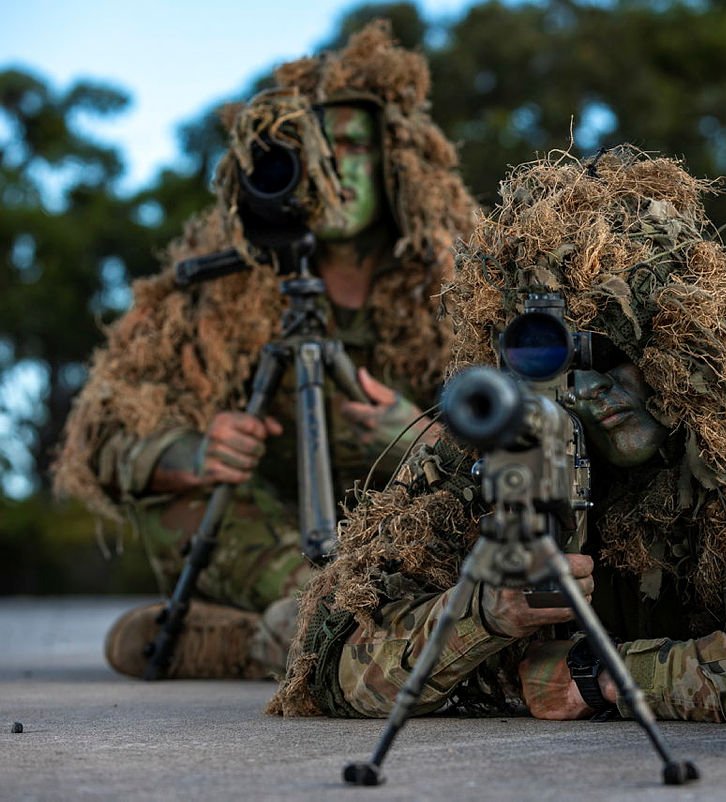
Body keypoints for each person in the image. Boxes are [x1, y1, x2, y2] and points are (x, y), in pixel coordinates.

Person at [268, 147, 726, 723]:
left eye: (612, 351)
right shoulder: (491, 456)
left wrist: (605, 679)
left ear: (684, 345)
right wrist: (483, 616)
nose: (587, 388)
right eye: (555, 362)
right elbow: (333, 664)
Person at [52, 21, 476, 679]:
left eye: (353, 147)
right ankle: (339, 625)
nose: (333, 167)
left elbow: (531, 436)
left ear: (398, 166)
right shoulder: (219, 289)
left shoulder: (453, 286)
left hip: (402, 536)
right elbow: (101, 434)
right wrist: (189, 454)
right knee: (182, 498)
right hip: (263, 538)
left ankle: (255, 643)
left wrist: (423, 440)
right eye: (312, 150)